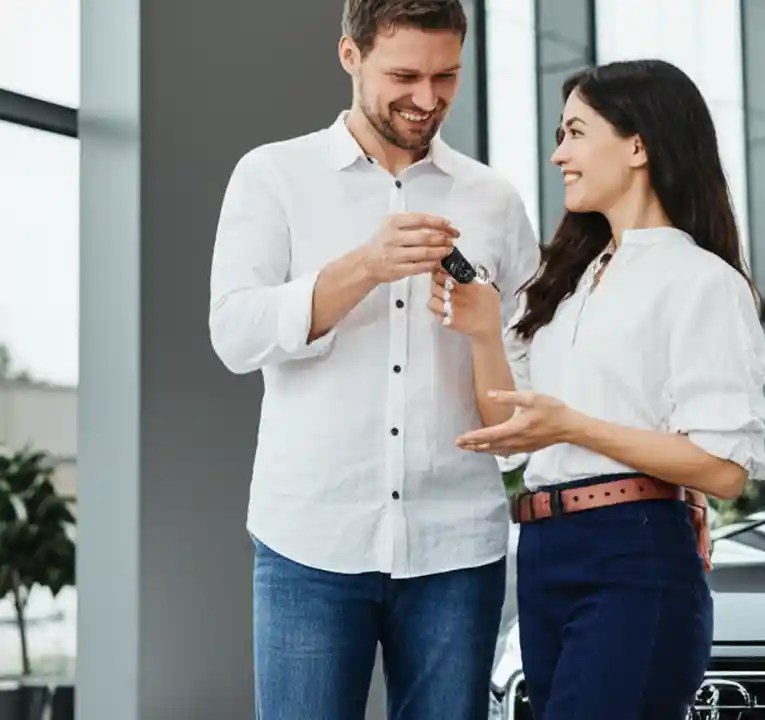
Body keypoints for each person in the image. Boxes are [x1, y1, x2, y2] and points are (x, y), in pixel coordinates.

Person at [207, 1, 540, 718]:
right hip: (310, 539)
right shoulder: (273, 176)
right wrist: (362, 267)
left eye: (446, 75)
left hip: (458, 547)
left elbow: (529, 378)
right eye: (405, 75)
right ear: (350, 56)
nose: (427, 99)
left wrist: (484, 333)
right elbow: (235, 333)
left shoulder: (496, 201)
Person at [435, 59, 765, 719]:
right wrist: (482, 331)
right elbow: (507, 433)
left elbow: (724, 469)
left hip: (634, 553)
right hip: (543, 556)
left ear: (638, 146)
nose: (558, 153)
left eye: (575, 132)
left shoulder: (702, 282)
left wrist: (572, 427)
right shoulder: (565, 284)